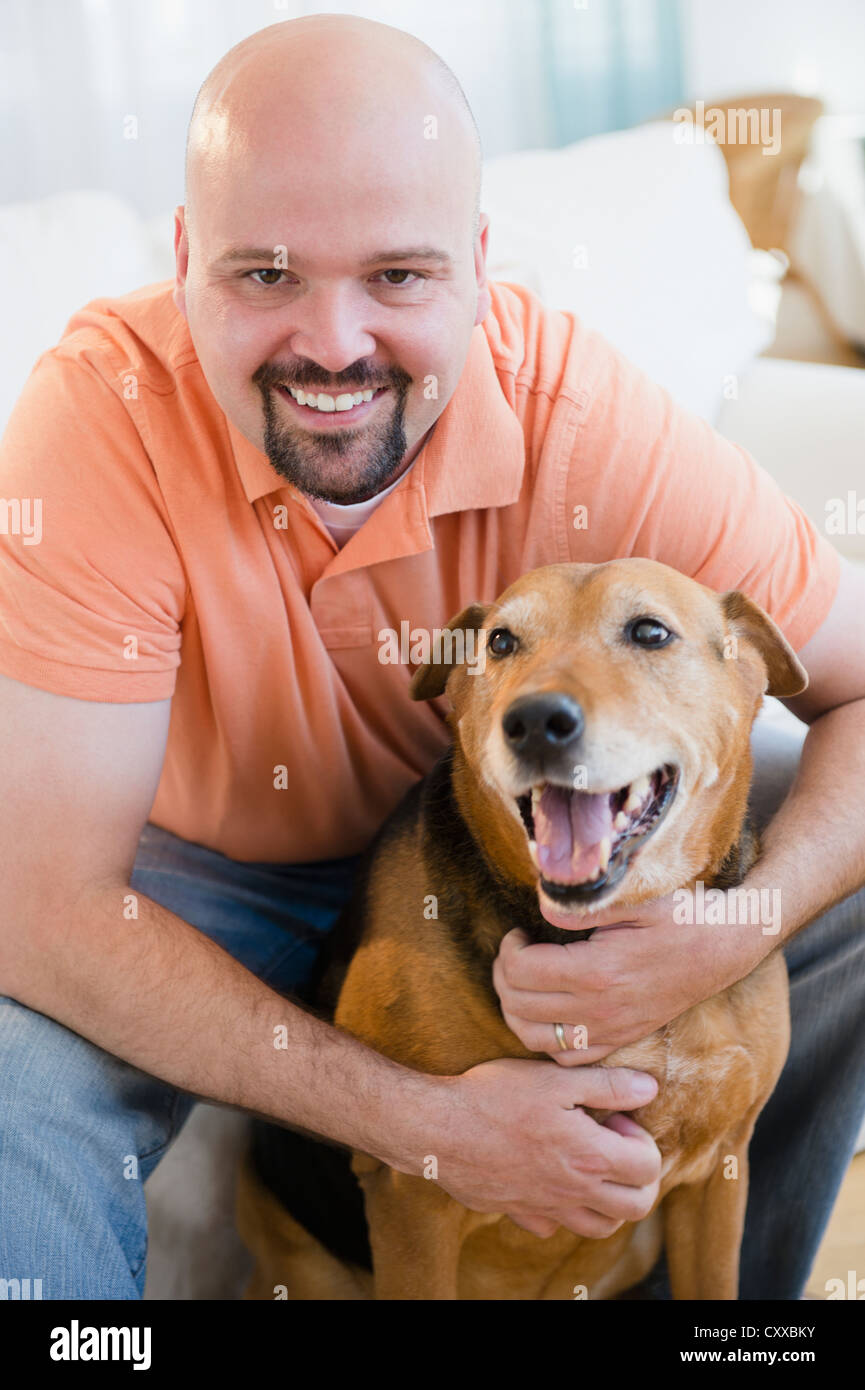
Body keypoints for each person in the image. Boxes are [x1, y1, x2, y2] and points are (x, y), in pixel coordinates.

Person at [0, 14, 863, 1301]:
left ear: (473, 266)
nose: (335, 345)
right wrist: (430, 1123)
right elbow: (38, 901)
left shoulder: (579, 408)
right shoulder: (98, 415)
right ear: (185, 261)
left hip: (499, 825)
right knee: (14, 1084)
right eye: (265, 275)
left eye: (396, 278)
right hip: (189, 872)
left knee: (834, 855)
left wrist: (723, 934)